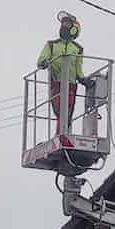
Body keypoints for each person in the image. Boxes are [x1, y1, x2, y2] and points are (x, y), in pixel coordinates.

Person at [37, 11, 85, 139]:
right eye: (63, 23)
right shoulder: (52, 45)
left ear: (74, 29)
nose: (64, 26)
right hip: (56, 82)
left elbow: (79, 70)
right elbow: (41, 60)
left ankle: (63, 135)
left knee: (68, 113)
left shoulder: (78, 49)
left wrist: (84, 80)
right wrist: (44, 62)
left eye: (67, 24)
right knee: (59, 110)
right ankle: (60, 135)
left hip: (71, 85)